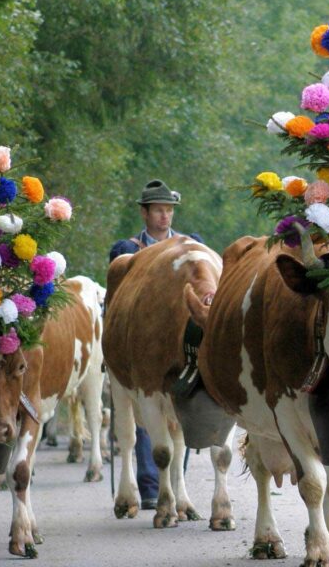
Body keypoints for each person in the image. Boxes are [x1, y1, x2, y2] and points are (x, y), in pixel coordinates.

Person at [109, 179, 198, 509]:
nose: (165, 216)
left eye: (169, 210)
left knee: (181, 414)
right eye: (159, 210)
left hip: (179, 341)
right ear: (144, 213)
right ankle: (150, 485)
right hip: (142, 341)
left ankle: (177, 483)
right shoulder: (127, 250)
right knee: (146, 413)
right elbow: (115, 302)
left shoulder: (191, 248)